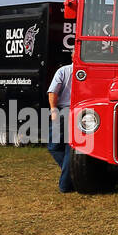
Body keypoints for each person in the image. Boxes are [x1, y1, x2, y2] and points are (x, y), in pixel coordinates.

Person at [46, 60, 75, 193]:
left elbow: (53, 92)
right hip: (84, 112)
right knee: (71, 148)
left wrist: (53, 110)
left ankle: (66, 184)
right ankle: (72, 174)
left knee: (53, 146)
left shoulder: (63, 71)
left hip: (65, 111)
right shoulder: (91, 71)